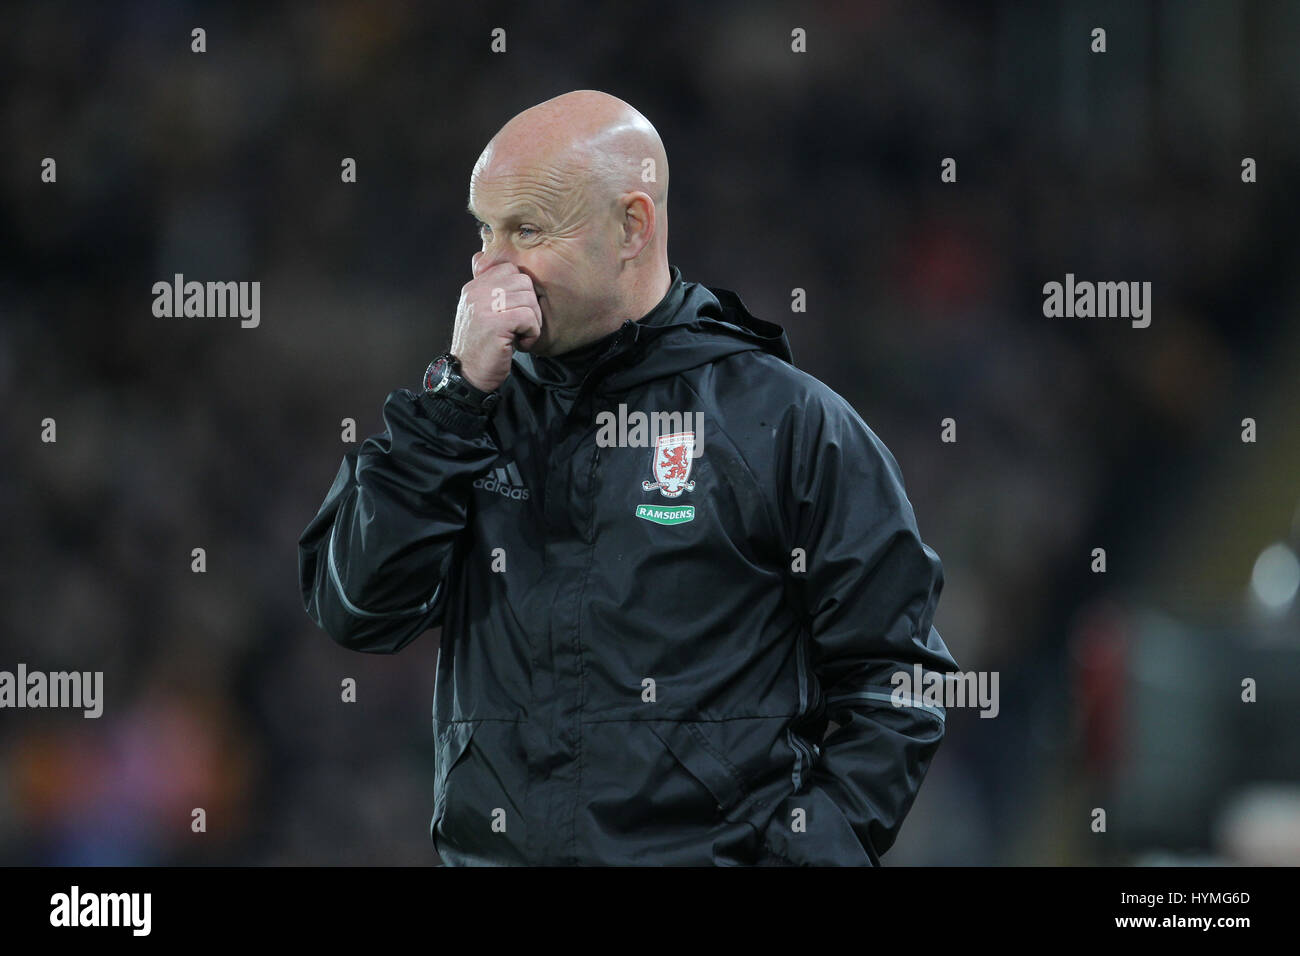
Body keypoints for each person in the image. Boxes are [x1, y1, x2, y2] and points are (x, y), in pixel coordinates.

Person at [298, 89, 958, 866]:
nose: (487, 269)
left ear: (632, 227)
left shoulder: (786, 426)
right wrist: (452, 407)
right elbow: (357, 608)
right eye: (484, 230)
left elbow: (899, 682)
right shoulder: (468, 412)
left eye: (528, 230)